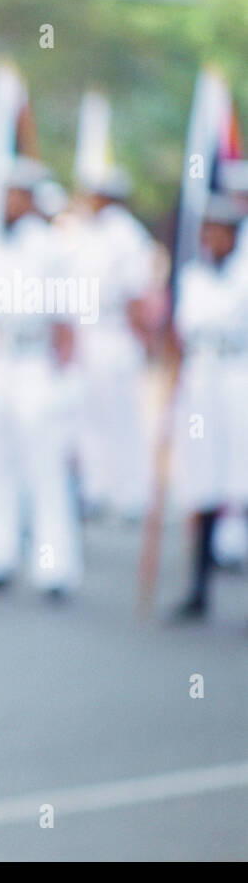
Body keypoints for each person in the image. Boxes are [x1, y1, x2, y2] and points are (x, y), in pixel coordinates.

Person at [0, 157, 83, 598]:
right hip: (2, 360)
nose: (7, 202)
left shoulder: (52, 248)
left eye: (15, 194)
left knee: (45, 467)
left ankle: (54, 567)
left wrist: (63, 378)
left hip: (37, 360)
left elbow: (66, 322)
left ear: (31, 198)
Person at [168, 195, 248, 622]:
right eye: (207, 229)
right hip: (202, 381)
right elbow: (181, 336)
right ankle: (198, 590)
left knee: (243, 481)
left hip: (239, 378)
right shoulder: (194, 276)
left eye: (220, 229)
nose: (211, 237)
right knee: (202, 484)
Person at [71, 166, 157, 521]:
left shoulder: (126, 235)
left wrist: (143, 340)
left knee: (122, 417)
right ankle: (96, 488)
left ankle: (131, 493)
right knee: (90, 416)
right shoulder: (88, 233)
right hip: (88, 332)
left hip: (114, 332)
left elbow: (136, 295)